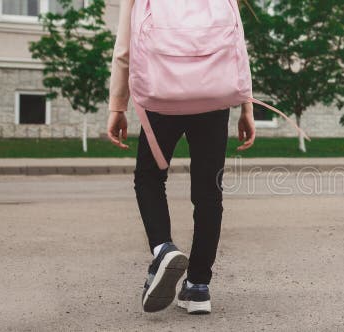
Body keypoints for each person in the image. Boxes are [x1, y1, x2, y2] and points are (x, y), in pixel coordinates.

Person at [105, 0, 255, 315]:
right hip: (213, 98)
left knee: (149, 177)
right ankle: (198, 286)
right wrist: (246, 107)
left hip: (162, 96)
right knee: (208, 192)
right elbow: (237, 46)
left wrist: (117, 107)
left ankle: (163, 249)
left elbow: (124, 50)